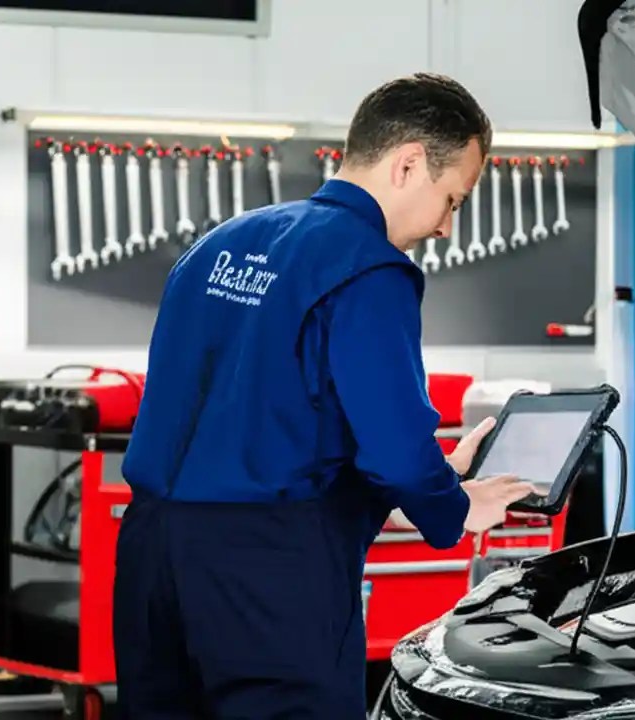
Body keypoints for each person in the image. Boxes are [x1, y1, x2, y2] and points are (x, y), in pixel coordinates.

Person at [112, 74, 538, 718]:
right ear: (409, 163)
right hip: (269, 576)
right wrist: (453, 507)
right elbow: (394, 451)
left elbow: (267, 417)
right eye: (453, 199)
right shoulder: (370, 268)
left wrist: (418, 488)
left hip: (151, 561)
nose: (448, 226)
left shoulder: (216, 246)